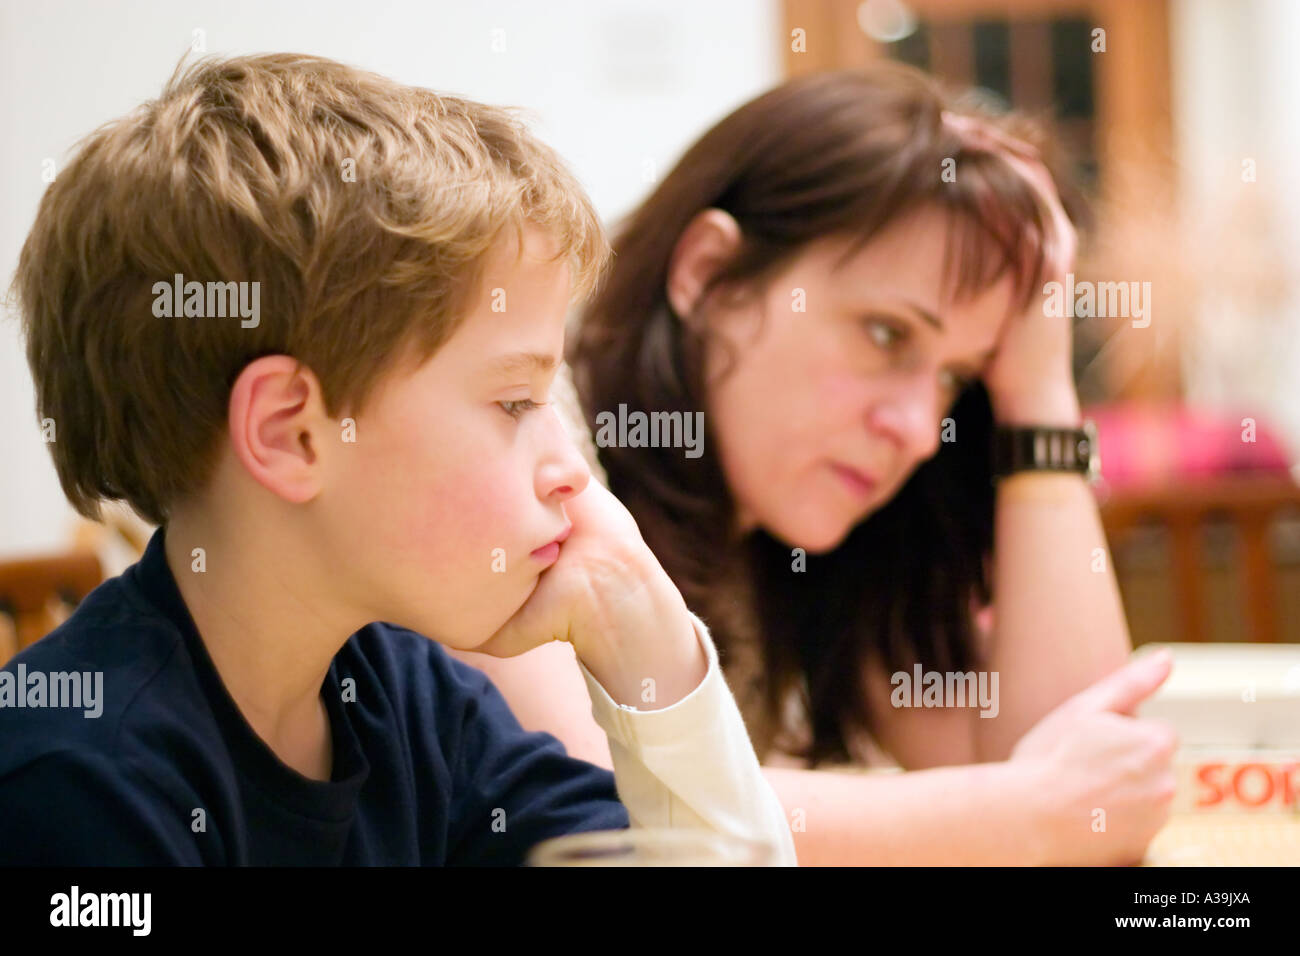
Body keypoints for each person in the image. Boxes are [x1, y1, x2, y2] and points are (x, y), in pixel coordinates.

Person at [0, 52, 796, 866]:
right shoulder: (76, 787)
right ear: (291, 434)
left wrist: (642, 629)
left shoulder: (403, 696)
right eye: (517, 403)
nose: (572, 471)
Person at [449, 63, 1178, 865]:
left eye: (955, 375)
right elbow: (606, 805)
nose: (916, 429)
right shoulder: (535, 426)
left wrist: (1036, 398)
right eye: (886, 333)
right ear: (709, 275)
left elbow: (1082, 787)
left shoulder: (816, 517)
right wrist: (1031, 810)